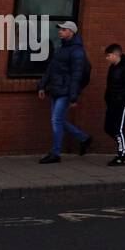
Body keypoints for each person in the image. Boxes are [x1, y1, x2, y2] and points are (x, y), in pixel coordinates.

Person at [36, 21, 91, 164]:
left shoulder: (77, 52)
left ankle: (55, 153)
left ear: (71, 32)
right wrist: (42, 85)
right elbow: (51, 69)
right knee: (58, 120)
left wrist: (73, 97)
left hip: (66, 91)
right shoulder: (62, 48)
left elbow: (77, 75)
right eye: (60, 29)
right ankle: (84, 138)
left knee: (56, 120)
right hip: (56, 89)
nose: (60, 31)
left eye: (63, 29)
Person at [103, 43, 125, 166]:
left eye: (108, 55)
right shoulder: (112, 67)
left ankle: (122, 155)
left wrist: (118, 98)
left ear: (116, 55)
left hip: (124, 103)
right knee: (108, 127)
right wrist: (108, 98)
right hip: (113, 103)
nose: (106, 58)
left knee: (119, 128)